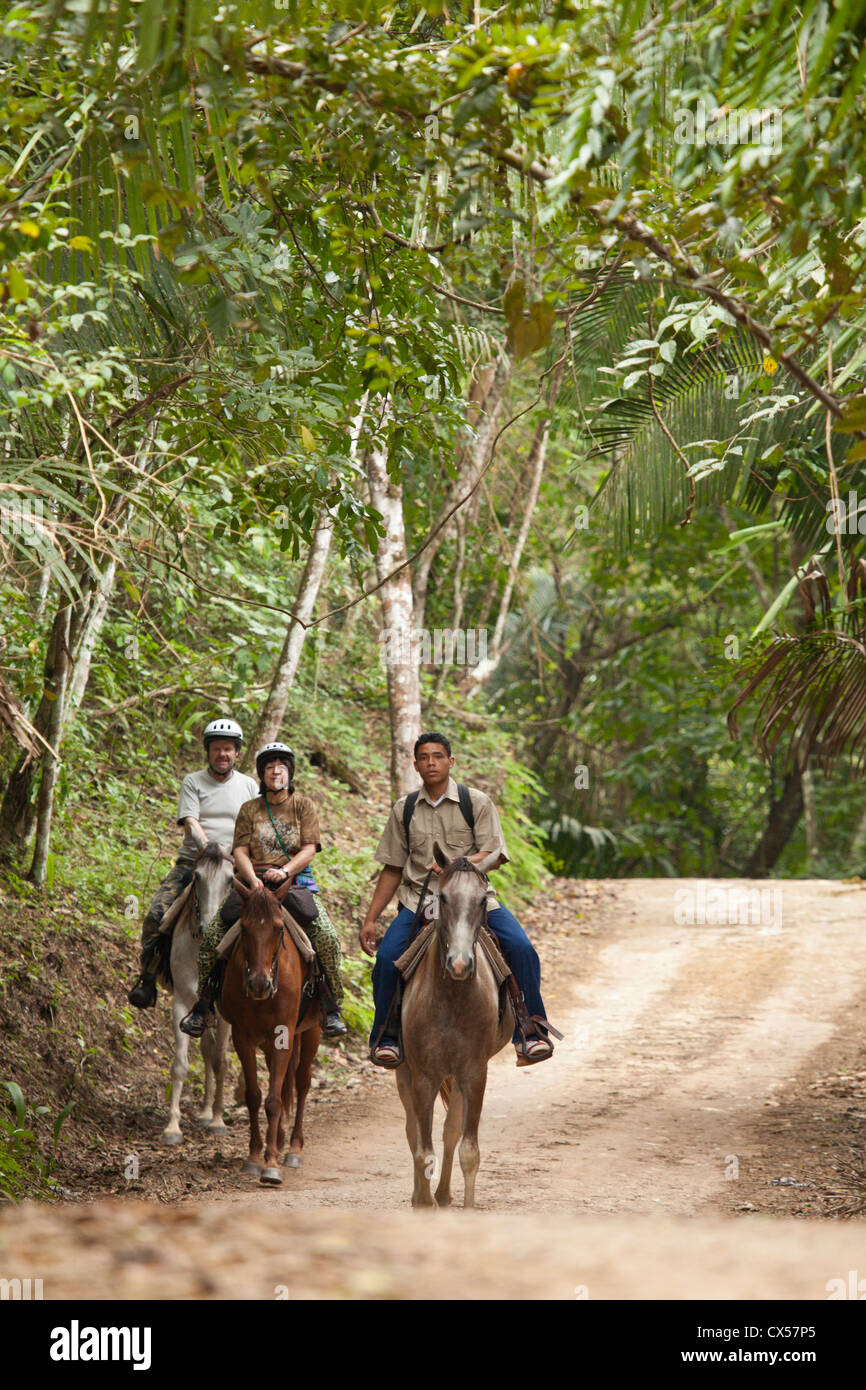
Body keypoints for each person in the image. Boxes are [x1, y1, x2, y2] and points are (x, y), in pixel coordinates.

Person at [359, 731, 554, 1068]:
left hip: (472, 898)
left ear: (451, 761)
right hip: (419, 900)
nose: (430, 763)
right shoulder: (403, 809)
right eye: (423, 757)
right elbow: (392, 867)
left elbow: (495, 853)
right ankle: (386, 1037)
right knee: (388, 958)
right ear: (416, 764)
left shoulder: (475, 802)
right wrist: (371, 918)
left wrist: (457, 866)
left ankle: (530, 1031)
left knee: (521, 949)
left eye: (437, 756)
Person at [179, 742, 347, 1039]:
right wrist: (252, 881)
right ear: (262, 774)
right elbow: (241, 851)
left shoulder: (303, 806)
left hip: (294, 884)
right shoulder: (249, 809)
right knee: (211, 941)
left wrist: (284, 871)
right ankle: (203, 1007)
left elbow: (309, 849)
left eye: (281, 767)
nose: (275, 772)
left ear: (290, 773)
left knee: (328, 938)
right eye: (269, 767)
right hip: (253, 885)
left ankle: (331, 1006)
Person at [127, 718, 259, 1008]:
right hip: (194, 863)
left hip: (236, 865)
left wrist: (237, 856)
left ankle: (262, 982)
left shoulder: (250, 785)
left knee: (266, 917)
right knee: (155, 915)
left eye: (228, 749)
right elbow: (190, 820)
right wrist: (210, 850)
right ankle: (147, 979)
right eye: (216, 749)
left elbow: (257, 825)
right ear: (208, 752)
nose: (222, 754)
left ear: (237, 752)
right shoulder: (193, 781)